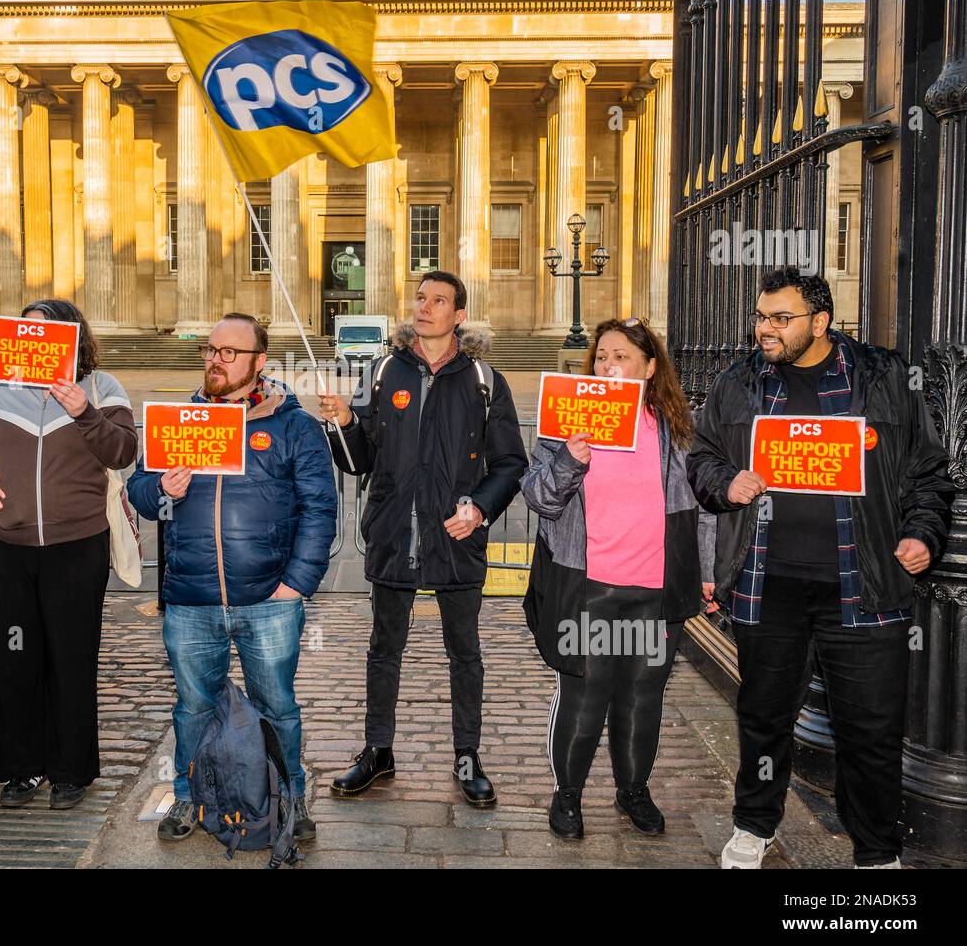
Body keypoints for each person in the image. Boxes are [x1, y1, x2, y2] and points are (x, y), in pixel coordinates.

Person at [687, 267, 953, 869]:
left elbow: (929, 472)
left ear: (821, 322)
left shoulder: (883, 378)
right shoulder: (738, 383)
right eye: (760, 317)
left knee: (871, 733)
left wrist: (922, 535)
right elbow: (700, 460)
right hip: (766, 585)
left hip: (862, 588)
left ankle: (877, 853)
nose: (765, 330)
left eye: (781, 318)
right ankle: (754, 825)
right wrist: (727, 481)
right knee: (762, 719)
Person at [318, 271, 527, 805]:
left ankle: (467, 755)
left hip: (457, 539)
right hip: (393, 535)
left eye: (439, 300)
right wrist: (342, 422)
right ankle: (377, 751)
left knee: (465, 653)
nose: (425, 307)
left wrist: (480, 508)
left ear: (459, 315)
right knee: (383, 649)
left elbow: (509, 462)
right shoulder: (383, 370)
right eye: (419, 298)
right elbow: (357, 461)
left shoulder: (484, 379)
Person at [127, 313, 336, 843]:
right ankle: (190, 794)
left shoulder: (294, 425)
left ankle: (290, 797)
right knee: (193, 707)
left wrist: (297, 584)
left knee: (277, 707)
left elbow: (320, 509)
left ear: (259, 362)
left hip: (269, 598)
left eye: (229, 352)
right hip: (192, 597)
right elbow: (139, 492)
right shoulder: (177, 419)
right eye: (210, 350)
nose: (215, 360)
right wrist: (162, 492)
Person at [521, 318, 713, 839]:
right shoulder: (567, 421)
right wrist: (568, 460)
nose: (608, 364)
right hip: (589, 589)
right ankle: (568, 795)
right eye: (602, 355)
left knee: (641, 698)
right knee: (585, 696)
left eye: (622, 356)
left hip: (654, 591)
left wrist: (708, 571)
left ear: (650, 368)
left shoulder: (675, 428)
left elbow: (702, 504)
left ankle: (633, 792)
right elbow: (538, 497)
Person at [0, 299, 137, 810]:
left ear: (71, 337)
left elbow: (123, 452)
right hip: (7, 547)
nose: (34, 341)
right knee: (13, 658)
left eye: (45, 333)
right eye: (26, 332)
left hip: (75, 546)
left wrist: (83, 411)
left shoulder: (103, 388)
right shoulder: (0, 389)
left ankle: (70, 772)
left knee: (71, 659)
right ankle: (20, 769)